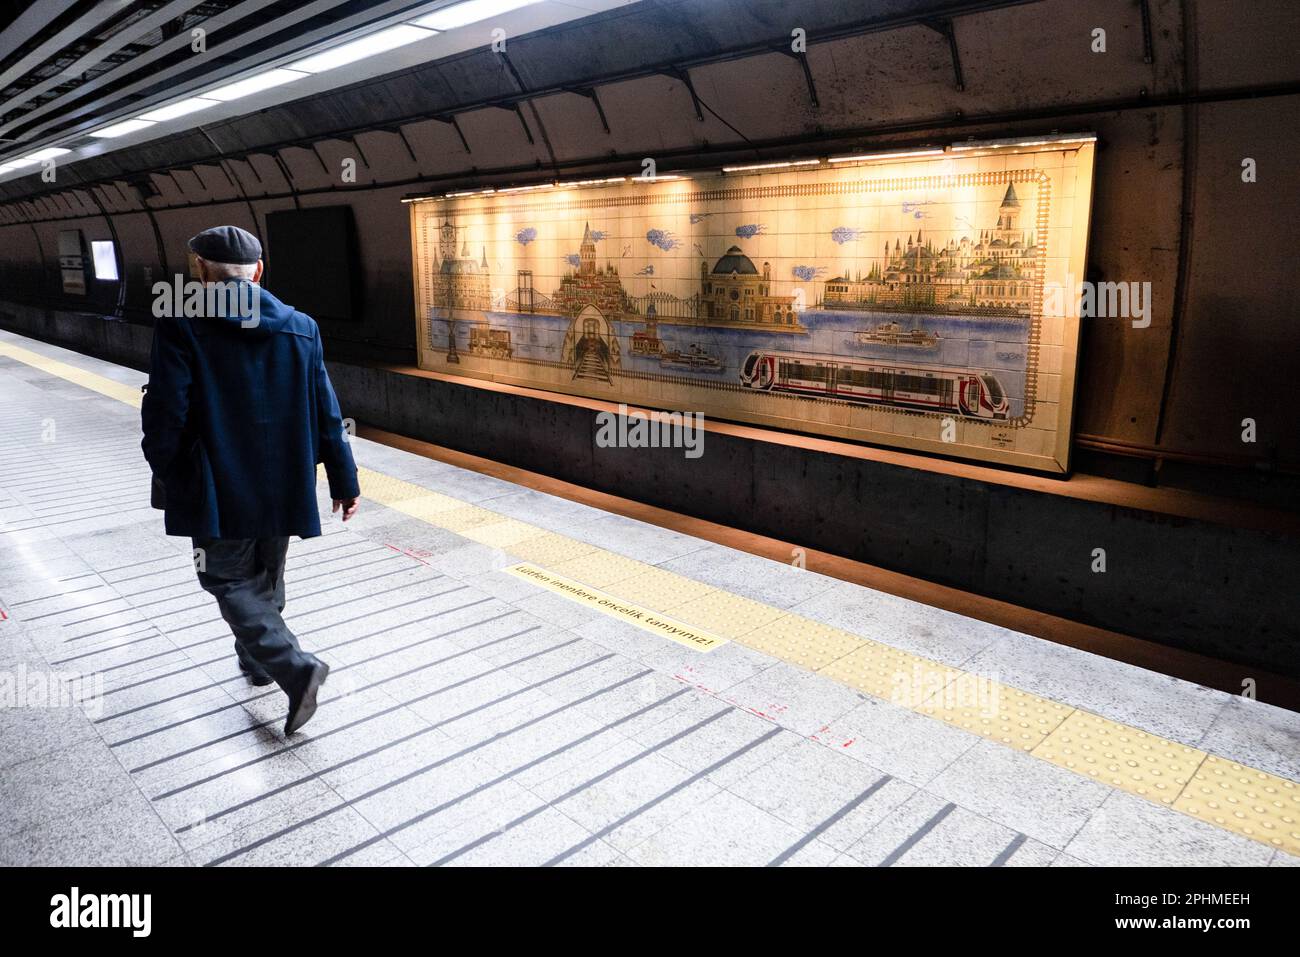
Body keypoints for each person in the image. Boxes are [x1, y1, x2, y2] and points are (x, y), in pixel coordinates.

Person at [141, 225, 360, 735]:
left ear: (199, 271)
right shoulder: (302, 327)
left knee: (226, 577)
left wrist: (168, 471)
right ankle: (259, 663)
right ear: (259, 272)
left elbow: (167, 414)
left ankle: (294, 668)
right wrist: (343, 478)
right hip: (285, 477)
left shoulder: (180, 324)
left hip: (217, 482)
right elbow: (328, 411)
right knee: (265, 573)